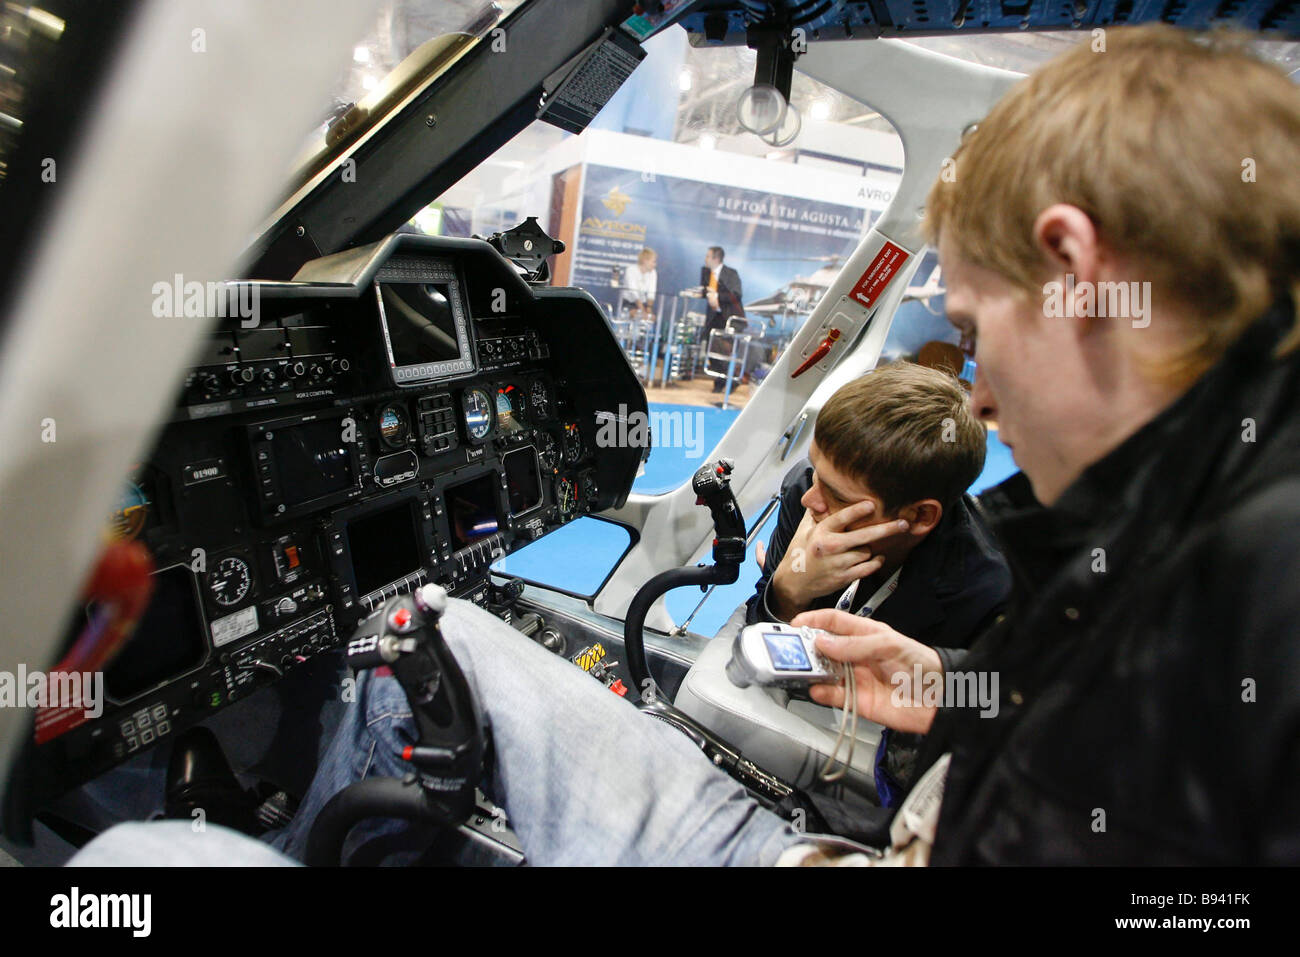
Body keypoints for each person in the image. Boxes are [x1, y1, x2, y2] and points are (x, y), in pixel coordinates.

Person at [267, 24, 1298, 866]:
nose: (980, 399)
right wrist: (945, 688)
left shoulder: (1256, 589)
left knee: (154, 859)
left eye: (977, 333)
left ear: (1075, 272)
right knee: (427, 633)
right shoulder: (1172, 534)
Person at [700, 246, 745, 391]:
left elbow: (736, 295)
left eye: (708, 256)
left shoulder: (731, 274)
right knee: (710, 348)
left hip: (730, 317)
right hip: (714, 317)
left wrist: (717, 297)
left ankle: (729, 379)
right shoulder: (706, 273)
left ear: (716, 259)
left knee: (725, 351)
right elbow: (705, 291)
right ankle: (721, 379)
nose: (705, 259)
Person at [621, 247, 658, 317]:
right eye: (653, 261)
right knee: (638, 316)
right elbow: (634, 293)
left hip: (643, 304)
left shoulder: (653, 272)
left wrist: (649, 309)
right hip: (629, 303)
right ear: (645, 261)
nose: (655, 264)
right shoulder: (631, 270)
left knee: (652, 318)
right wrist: (643, 313)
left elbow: (651, 293)